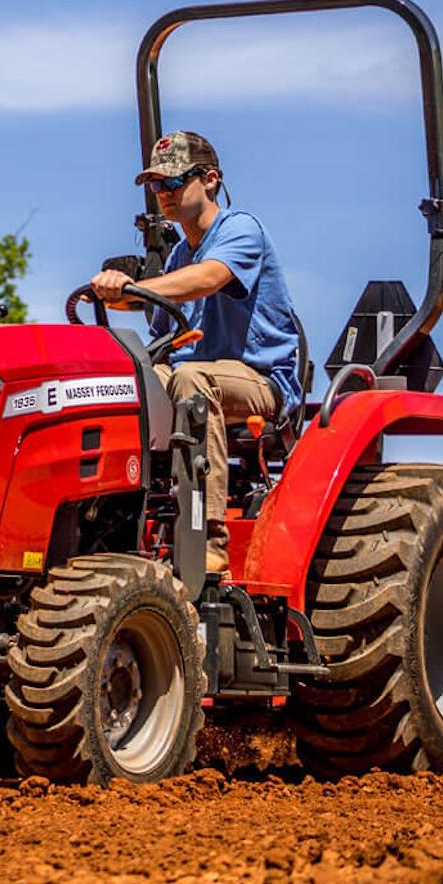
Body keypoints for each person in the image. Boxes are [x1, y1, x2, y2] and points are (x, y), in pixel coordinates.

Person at [90, 131, 300, 577]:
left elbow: (208, 279)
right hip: (195, 376)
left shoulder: (240, 230)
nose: (163, 193)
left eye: (173, 181)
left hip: (258, 380)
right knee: (130, 385)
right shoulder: (178, 258)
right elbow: (164, 337)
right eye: (156, 185)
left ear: (210, 180)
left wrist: (133, 288)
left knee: (190, 382)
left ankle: (206, 543)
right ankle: (105, 528)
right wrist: (114, 297)